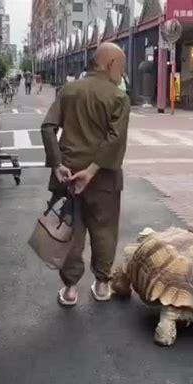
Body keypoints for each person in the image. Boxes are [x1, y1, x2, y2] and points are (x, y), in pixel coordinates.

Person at [41, 42, 131, 306]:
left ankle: (69, 290)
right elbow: (116, 140)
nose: (121, 73)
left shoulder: (69, 90)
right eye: (121, 67)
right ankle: (102, 285)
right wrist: (92, 170)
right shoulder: (118, 97)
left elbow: (48, 127)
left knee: (71, 232)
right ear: (112, 64)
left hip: (67, 178)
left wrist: (58, 163)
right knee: (105, 231)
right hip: (104, 179)